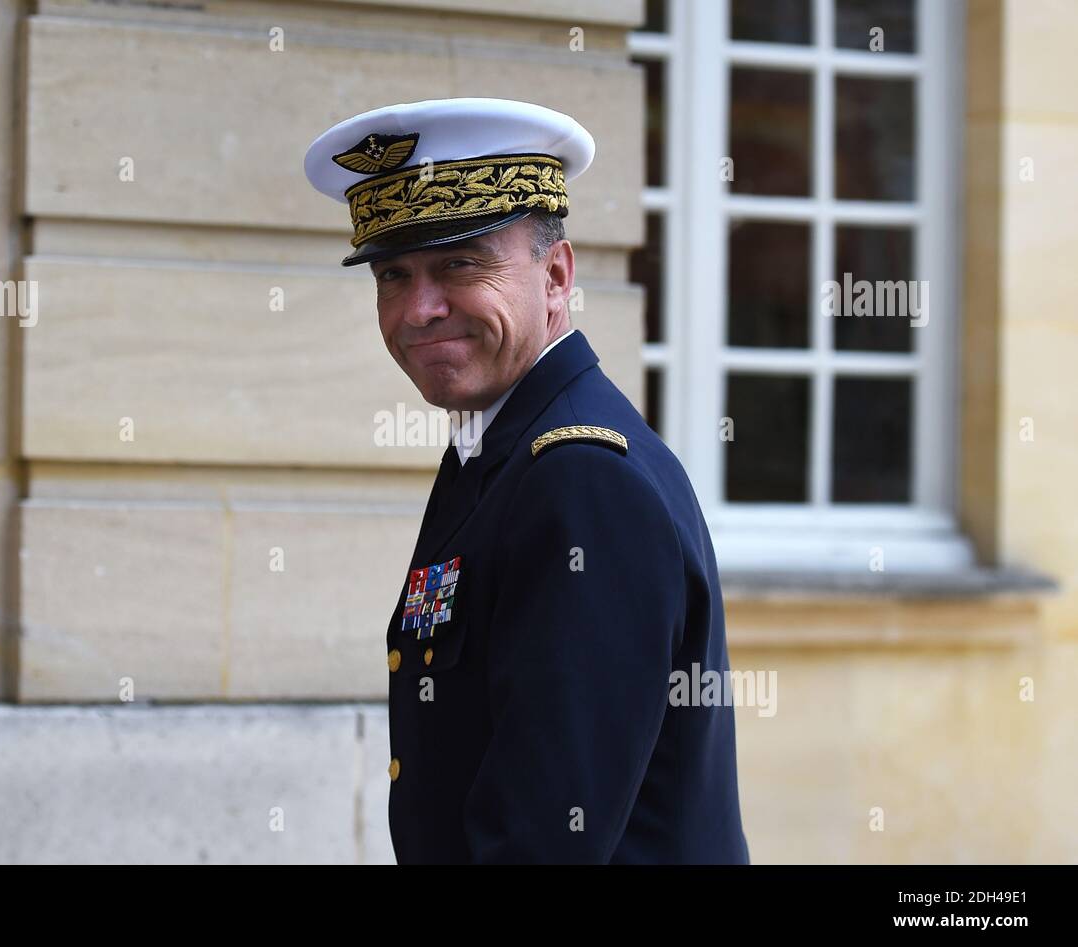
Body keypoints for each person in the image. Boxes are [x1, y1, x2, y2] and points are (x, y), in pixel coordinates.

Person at [304, 98, 751, 863]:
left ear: (556, 275)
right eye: (393, 275)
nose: (419, 309)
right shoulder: (504, 451)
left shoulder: (579, 480)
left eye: (460, 263)